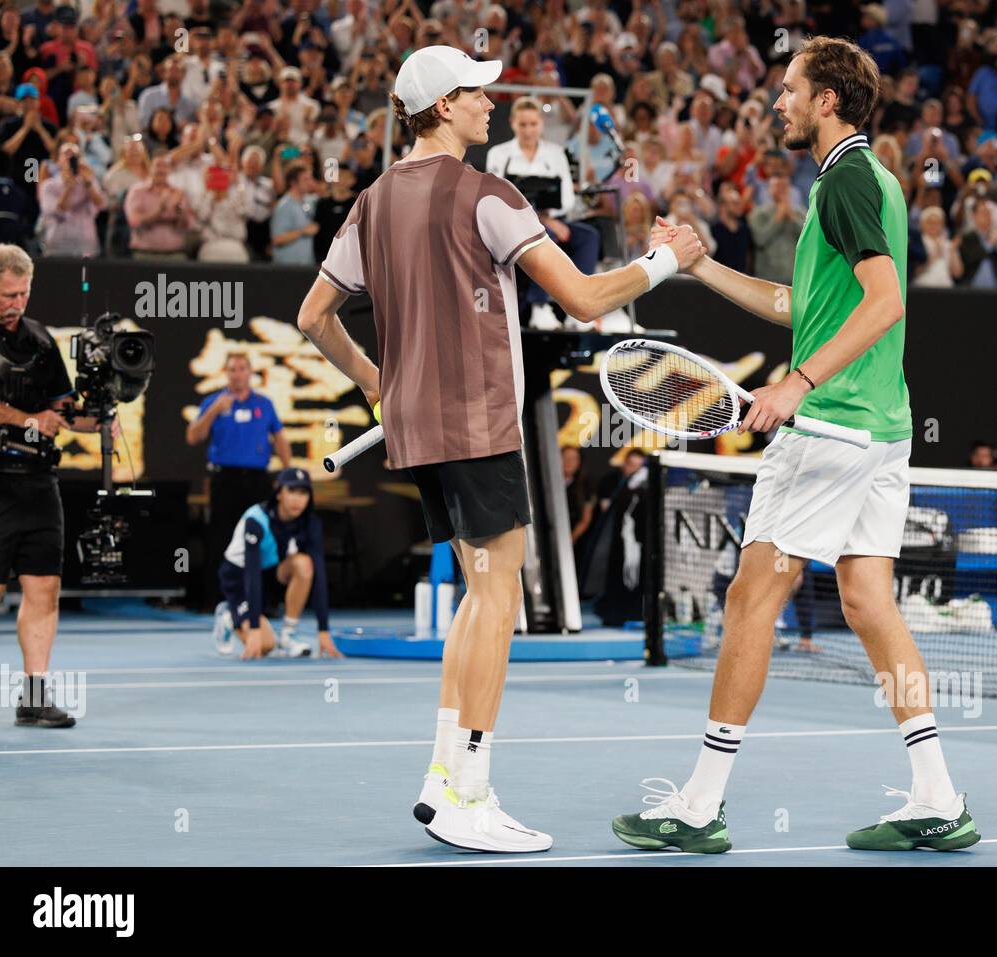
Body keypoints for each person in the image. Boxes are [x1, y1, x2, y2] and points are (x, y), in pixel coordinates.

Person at [296, 45, 702, 854]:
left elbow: (314, 317)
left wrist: (381, 382)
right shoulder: (489, 194)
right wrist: (665, 262)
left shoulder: (371, 201)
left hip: (419, 427)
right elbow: (585, 299)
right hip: (478, 421)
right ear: (442, 106)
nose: (491, 102)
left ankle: (447, 778)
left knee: (482, 595)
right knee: (497, 598)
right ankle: (467, 788)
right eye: (477, 92)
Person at [612, 37, 979, 854]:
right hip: (882, 431)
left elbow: (884, 303)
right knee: (869, 603)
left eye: (787, 90)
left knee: (750, 598)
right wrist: (701, 266)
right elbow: (801, 302)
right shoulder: (869, 180)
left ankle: (701, 803)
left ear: (827, 101)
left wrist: (797, 383)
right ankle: (937, 794)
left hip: (832, 427)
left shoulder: (846, 177)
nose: (775, 102)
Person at [0, 245, 119, 727]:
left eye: (23, 293)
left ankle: (35, 696)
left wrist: (100, 416)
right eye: (7, 295)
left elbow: (62, 410)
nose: (17, 303)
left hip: (38, 483)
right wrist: (27, 420)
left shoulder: (40, 340)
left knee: (43, 588)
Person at [186, 352, 293, 609]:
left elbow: (279, 438)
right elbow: (193, 437)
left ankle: (266, 600)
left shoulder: (263, 404)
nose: (237, 374)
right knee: (220, 538)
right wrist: (213, 411)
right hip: (225, 479)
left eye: (242, 368)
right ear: (226, 373)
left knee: (263, 537)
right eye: (232, 369)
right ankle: (218, 599)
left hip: (257, 479)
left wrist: (288, 474)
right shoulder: (213, 401)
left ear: (250, 373)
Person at [485, 97, 601, 331]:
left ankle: (578, 306)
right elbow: (496, 200)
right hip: (514, 227)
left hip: (553, 221)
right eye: (523, 124)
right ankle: (539, 306)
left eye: (533, 124)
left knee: (589, 237)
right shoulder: (498, 154)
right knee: (545, 234)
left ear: (541, 124)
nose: (528, 130)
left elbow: (567, 196)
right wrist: (544, 219)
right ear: (513, 124)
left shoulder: (555, 153)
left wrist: (550, 217)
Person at [213, 467, 341, 660]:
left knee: (304, 564)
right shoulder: (256, 520)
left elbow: (319, 574)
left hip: (271, 574)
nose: (298, 499)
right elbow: (252, 574)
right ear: (279, 493)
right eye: (292, 491)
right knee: (265, 646)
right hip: (239, 578)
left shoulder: (310, 523)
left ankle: (288, 636)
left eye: (303, 492)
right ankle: (230, 616)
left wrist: (323, 630)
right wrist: (254, 629)